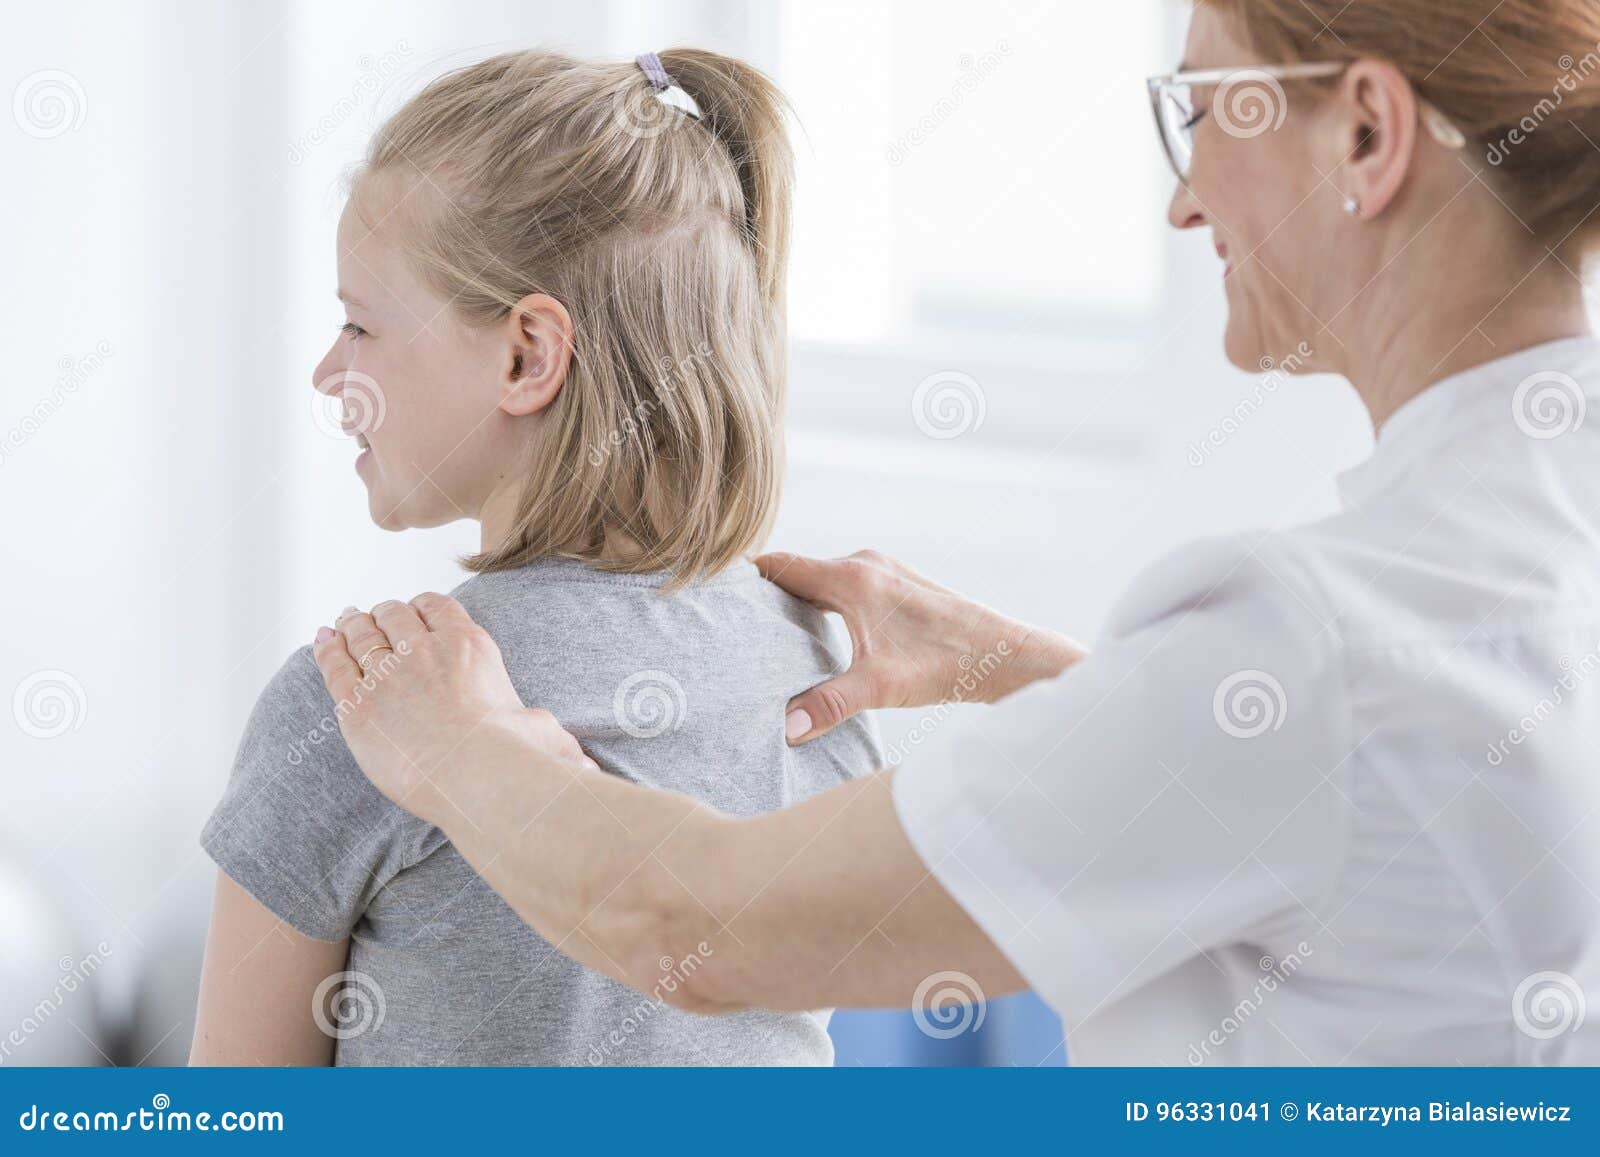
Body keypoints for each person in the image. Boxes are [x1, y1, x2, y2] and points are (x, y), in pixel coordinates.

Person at [310, 0, 1600, 1064]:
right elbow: (1381, 790)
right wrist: (1019, 672)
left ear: (1366, 132)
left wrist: (457, 747)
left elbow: (688, 924)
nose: (1182, 202)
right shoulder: (1502, 559)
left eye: (1200, 109)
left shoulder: (1316, 630)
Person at [190, 47, 885, 1066]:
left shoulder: (364, 701)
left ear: (526, 356)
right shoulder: (820, 678)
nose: (328, 370)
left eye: (359, 322)